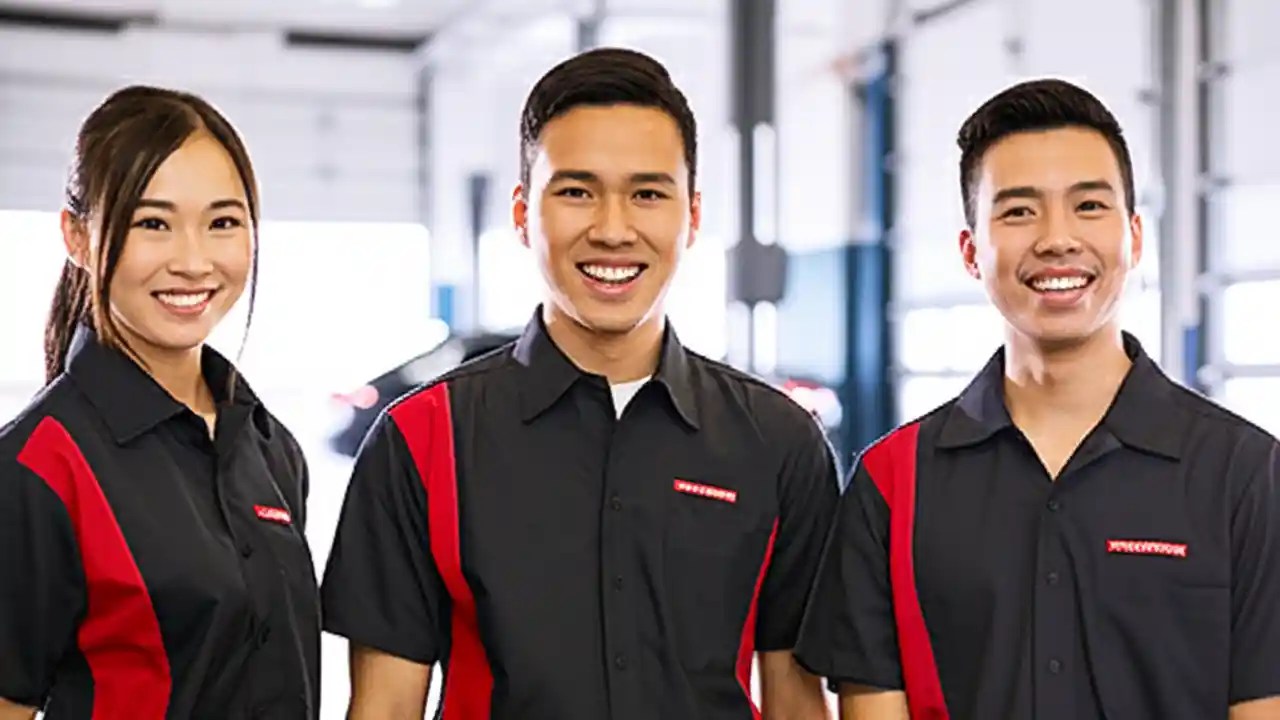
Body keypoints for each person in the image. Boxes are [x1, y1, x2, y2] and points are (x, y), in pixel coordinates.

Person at [321, 47, 838, 719]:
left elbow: (797, 701)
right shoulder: (420, 440)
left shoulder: (778, 442)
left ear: (692, 215)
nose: (613, 230)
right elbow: (385, 707)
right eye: (576, 192)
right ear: (522, 213)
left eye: (647, 194)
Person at [794, 78, 1280, 720]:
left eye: (1089, 206)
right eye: (1019, 211)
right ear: (971, 251)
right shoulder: (892, 483)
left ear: (1135, 237)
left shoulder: (1245, 475)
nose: (1057, 239)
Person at [0, 86, 320, 719]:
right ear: (77, 237)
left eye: (222, 223)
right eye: (153, 224)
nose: (193, 261)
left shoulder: (269, 447)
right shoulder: (35, 469)